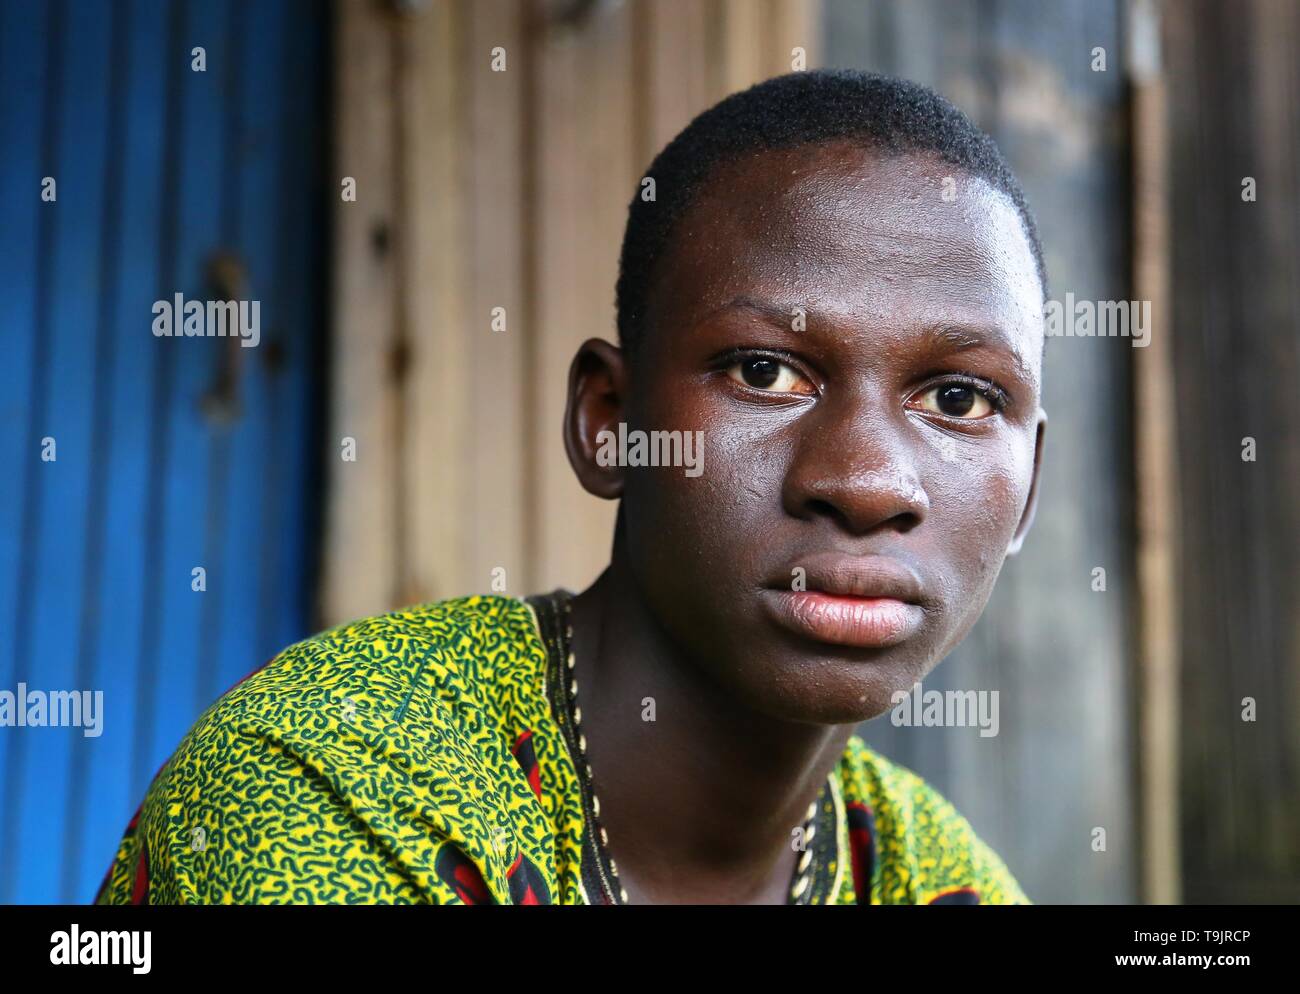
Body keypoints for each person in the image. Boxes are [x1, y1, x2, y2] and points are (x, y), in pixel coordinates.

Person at [96, 68, 1045, 905]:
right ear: (609, 422)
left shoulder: (941, 880)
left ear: (1030, 490)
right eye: (764, 373)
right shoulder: (330, 784)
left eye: (959, 398)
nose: (869, 482)